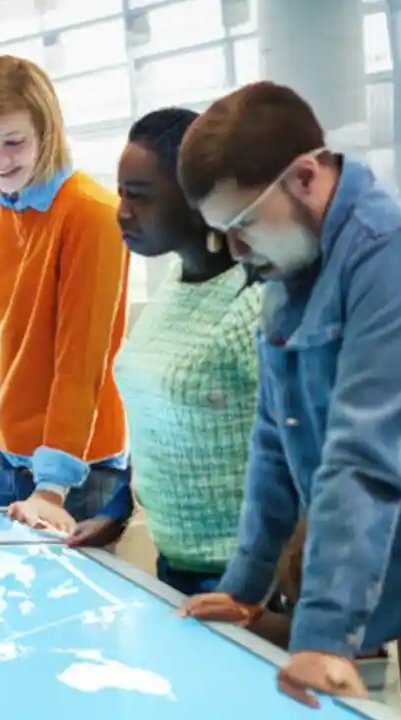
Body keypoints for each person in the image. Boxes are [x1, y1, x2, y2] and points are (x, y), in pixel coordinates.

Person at [173, 80, 401, 708]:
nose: (236, 251)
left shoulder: (392, 257)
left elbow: (364, 451)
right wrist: (245, 585)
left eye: (244, 225)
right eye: (222, 232)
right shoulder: (292, 255)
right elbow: (276, 432)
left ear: (305, 176)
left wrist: (326, 637)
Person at [0, 55, 133, 542]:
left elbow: (82, 357)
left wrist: (52, 488)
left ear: (48, 131)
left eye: (15, 142)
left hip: (81, 468)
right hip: (14, 455)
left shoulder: (93, 214)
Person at [111, 107, 259, 591]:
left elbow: (316, 462)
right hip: (177, 569)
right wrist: (116, 509)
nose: (122, 210)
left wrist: (291, 615)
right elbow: (161, 419)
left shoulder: (257, 302)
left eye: (140, 196)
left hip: (248, 587)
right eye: (121, 193)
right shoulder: (178, 280)